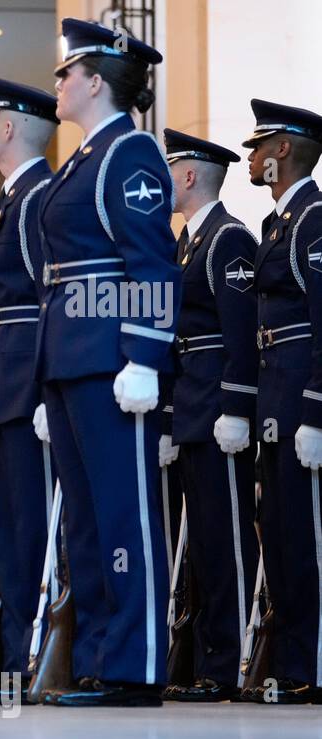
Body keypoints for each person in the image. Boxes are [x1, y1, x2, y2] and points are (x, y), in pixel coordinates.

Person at [34, 20, 174, 707]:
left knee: (125, 516)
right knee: (85, 521)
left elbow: (151, 259)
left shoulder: (131, 152)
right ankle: (95, 658)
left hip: (111, 358)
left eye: (67, 73)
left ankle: (136, 665)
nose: (58, 83)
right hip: (70, 359)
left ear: (95, 81)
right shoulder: (83, 159)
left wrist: (145, 353)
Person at [159, 128, 260, 702]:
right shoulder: (186, 243)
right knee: (196, 545)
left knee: (225, 542)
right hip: (191, 410)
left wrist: (236, 405)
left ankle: (227, 665)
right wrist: (172, 417)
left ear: (191, 175)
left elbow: (240, 336)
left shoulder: (227, 241)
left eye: (171, 169)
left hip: (218, 408)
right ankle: (197, 658)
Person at [0, 76, 59, 683]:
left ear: (8, 128)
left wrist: (43, 385)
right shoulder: (12, 197)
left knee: (30, 524)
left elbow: (50, 296)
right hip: (1, 374)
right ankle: (11, 651)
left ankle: (34, 651)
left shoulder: (37, 198)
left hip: (25, 375)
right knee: (7, 525)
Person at [241, 99, 322, 703]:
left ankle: (313, 666)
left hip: (299, 394)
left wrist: (316, 408)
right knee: (281, 528)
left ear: (284, 151)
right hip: (276, 390)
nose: (252, 155)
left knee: (306, 532)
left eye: (260, 146)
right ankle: (293, 662)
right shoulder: (280, 224)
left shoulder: (313, 219)